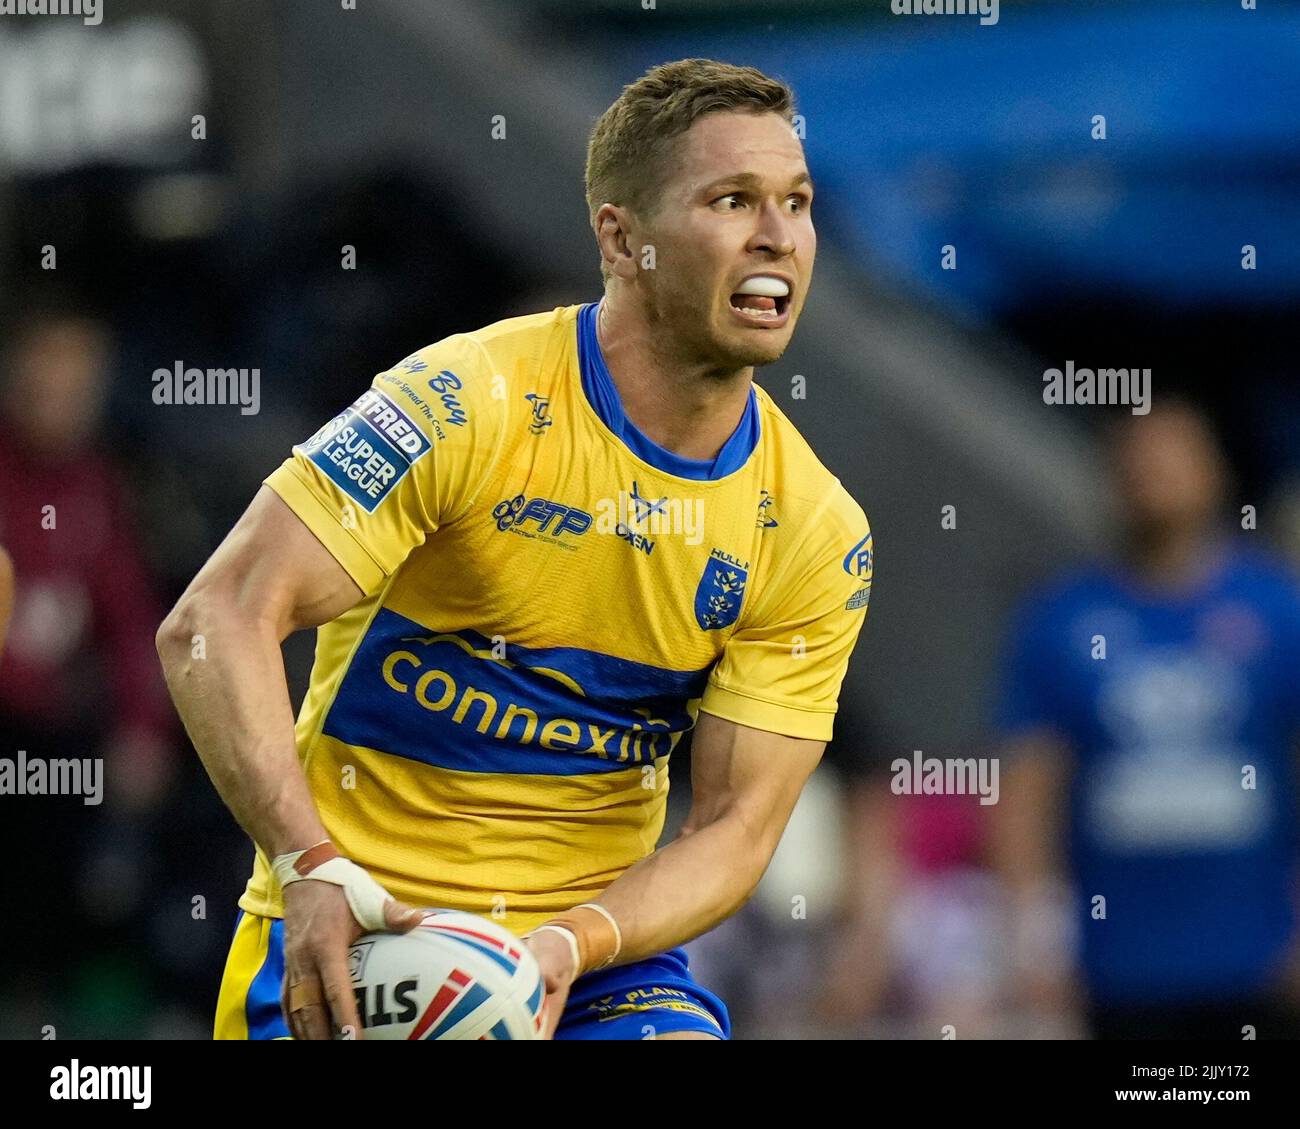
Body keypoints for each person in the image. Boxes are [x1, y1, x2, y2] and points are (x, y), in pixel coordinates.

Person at [157, 58, 874, 1041]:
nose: (777, 237)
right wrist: (308, 863)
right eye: (731, 200)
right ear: (622, 239)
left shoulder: (814, 529)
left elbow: (735, 830)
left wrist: (572, 942)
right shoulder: (461, 404)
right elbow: (215, 619)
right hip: (357, 935)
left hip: (590, 964)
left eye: (796, 203)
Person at [992, 398, 1300, 1039]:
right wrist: (1035, 942)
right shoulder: (1063, 621)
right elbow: (1027, 792)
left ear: (1216, 470)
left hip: (1256, 964)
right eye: (1136, 456)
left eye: (1172, 453)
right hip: (1117, 971)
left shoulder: (1278, 611)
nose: (1152, 471)